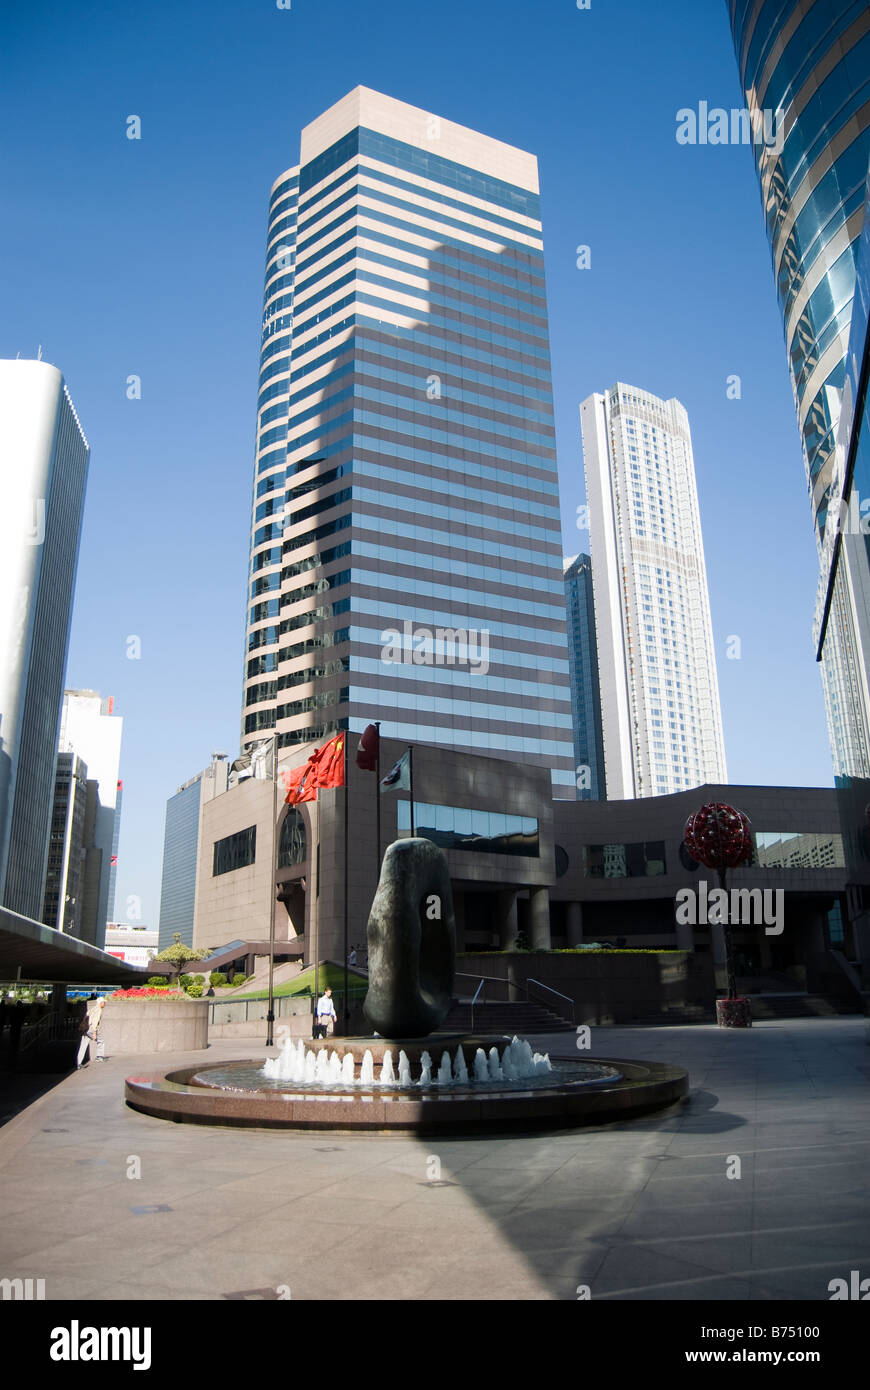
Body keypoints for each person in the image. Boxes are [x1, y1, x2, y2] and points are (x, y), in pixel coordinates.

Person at [76, 994, 105, 1070]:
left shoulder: (92, 1009)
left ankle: (79, 1063)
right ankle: (99, 1057)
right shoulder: (99, 1010)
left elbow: (86, 1016)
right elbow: (95, 1022)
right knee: (101, 1041)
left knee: (83, 1045)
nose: (104, 1004)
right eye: (103, 1002)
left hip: (85, 1030)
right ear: (100, 1003)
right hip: (91, 1029)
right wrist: (95, 1033)